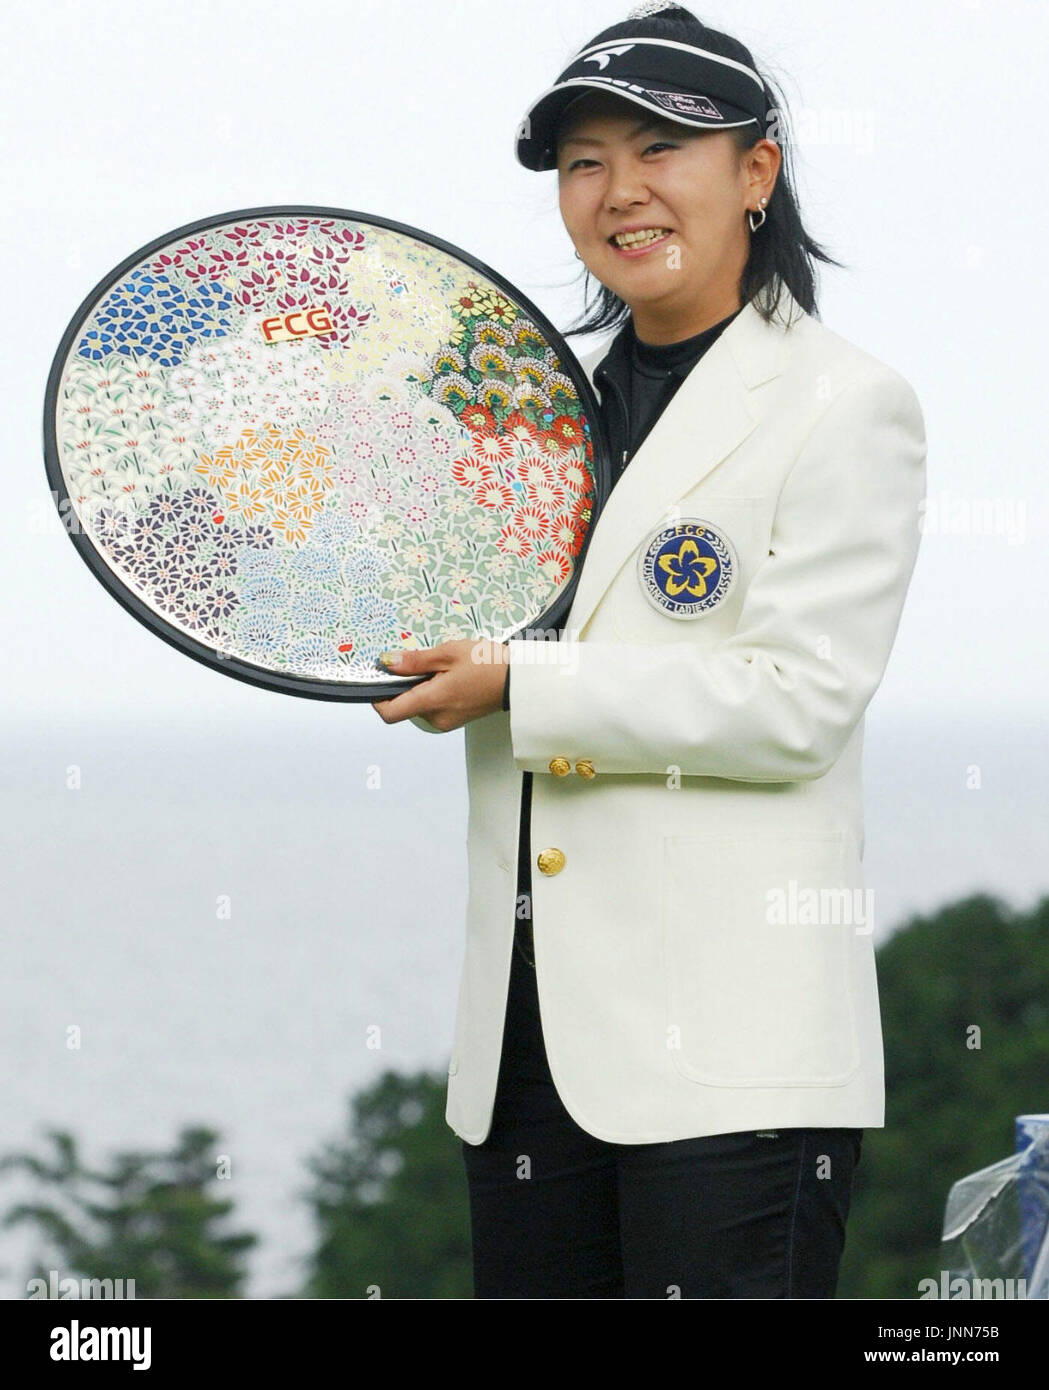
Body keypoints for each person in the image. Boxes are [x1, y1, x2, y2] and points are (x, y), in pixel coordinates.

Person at [371, 2, 927, 1299]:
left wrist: (518, 680)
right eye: (581, 162)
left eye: (661, 145)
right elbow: (444, 616)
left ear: (756, 171)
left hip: (734, 1066)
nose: (618, 191)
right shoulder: (513, 407)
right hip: (520, 1058)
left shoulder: (845, 404)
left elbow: (793, 704)